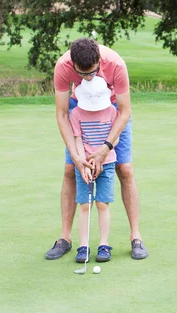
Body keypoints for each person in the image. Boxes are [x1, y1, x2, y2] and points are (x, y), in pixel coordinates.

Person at [45, 37, 148, 260]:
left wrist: (106, 148)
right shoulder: (63, 67)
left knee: (125, 169)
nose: (87, 78)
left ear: (99, 62)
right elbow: (62, 113)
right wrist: (75, 155)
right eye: (82, 74)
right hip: (80, 107)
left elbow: (124, 110)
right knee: (70, 169)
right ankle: (65, 238)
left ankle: (136, 237)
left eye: (92, 72)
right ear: (73, 65)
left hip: (111, 108)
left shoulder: (116, 64)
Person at [70, 76, 118, 263]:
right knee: (84, 205)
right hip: (84, 165)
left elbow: (115, 140)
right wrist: (83, 162)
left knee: (102, 204)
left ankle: (104, 245)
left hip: (107, 163)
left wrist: (101, 156)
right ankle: (83, 246)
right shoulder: (76, 114)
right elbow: (78, 140)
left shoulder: (112, 111)